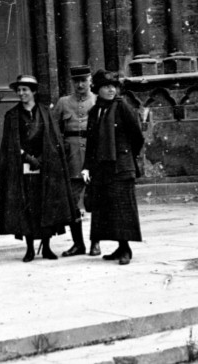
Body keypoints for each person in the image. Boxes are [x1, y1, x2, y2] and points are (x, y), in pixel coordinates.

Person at [0, 74, 76, 262]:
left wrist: (41, 158)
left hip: (45, 166)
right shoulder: (12, 115)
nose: (21, 93)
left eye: (25, 90)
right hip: (23, 166)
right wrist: (27, 157)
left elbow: (52, 139)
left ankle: (47, 247)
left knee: (45, 205)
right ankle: (30, 249)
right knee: (28, 208)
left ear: (33, 91)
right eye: (19, 90)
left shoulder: (46, 113)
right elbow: (10, 143)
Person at [82, 70, 145, 265]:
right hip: (102, 168)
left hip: (121, 167)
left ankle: (126, 249)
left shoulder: (122, 107)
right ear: (97, 90)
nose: (111, 90)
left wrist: (124, 155)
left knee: (123, 208)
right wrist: (87, 167)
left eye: (113, 86)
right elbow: (91, 143)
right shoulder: (95, 111)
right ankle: (119, 247)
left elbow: (137, 137)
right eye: (106, 87)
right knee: (108, 209)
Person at [51, 65, 100, 257]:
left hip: (94, 155)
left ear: (90, 81)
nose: (80, 85)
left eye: (83, 80)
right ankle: (78, 244)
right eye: (76, 81)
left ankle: (95, 243)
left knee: (95, 201)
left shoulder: (97, 100)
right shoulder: (63, 102)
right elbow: (54, 129)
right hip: (71, 157)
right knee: (72, 203)